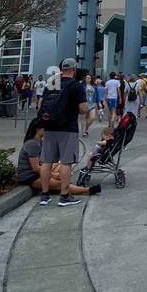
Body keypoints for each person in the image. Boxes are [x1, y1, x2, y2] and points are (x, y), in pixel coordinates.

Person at [36, 58, 90, 205]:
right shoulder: (76, 86)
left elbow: (41, 103)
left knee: (47, 161)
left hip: (50, 126)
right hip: (68, 128)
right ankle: (65, 196)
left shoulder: (51, 84)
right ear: (74, 69)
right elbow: (84, 108)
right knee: (66, 162)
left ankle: (44, 195)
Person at [17, 118, 100, 198]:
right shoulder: (32, 144)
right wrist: (53, 175)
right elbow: (35, 168)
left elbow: (44, 161)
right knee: (60, 184)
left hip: (40, 170)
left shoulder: (41, 142)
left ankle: (62, 185)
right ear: (38, 129)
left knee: (63, 165)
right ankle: (87, 190)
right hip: (30, 176)